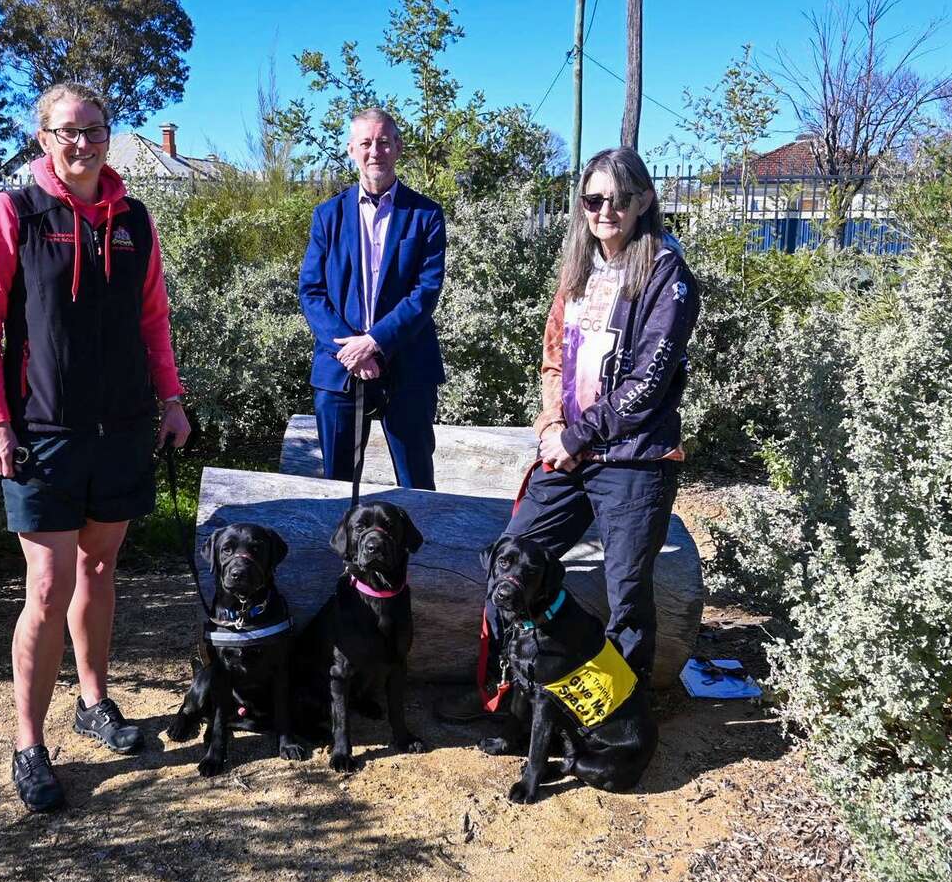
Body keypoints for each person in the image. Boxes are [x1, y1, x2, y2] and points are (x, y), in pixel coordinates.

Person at [0, 83, 191, 812]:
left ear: (107, 135)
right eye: (68, 131)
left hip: (122, 427)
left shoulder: (135, 220)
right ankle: (29, 744)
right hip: (41, 433)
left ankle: (93, 702)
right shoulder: (13, 214)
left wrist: (172, 401)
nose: (83, 143)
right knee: (47, 586)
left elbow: (153, 318)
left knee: (99, 567)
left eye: (94, 130)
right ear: (44, 138)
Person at [481, 146, 700, 780]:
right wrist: (552, 425)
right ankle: (520, 711)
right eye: (593, 199)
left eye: (619, 198)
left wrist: (578, 435)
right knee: (509, 559)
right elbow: (553, 357)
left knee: (626, 596)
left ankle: (617, 734)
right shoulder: (580, 268)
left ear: (644, 200)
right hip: (569, 451)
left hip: (633, 458)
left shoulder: (667, 274)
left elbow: (648, 382)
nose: (606, 210)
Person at [298, 108, 446, 490]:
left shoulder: (426, 215)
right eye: (366, 143)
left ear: (398, 147)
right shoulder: (327, 216)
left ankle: (416, 536)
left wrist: (374, 342)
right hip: (340, 369)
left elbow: (425, 291)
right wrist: (352, 350)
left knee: (417, 487)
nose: (375, 151)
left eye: (383, 142)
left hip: (408, 367)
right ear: (351, 150)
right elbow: (311, 291)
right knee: (337, 490)